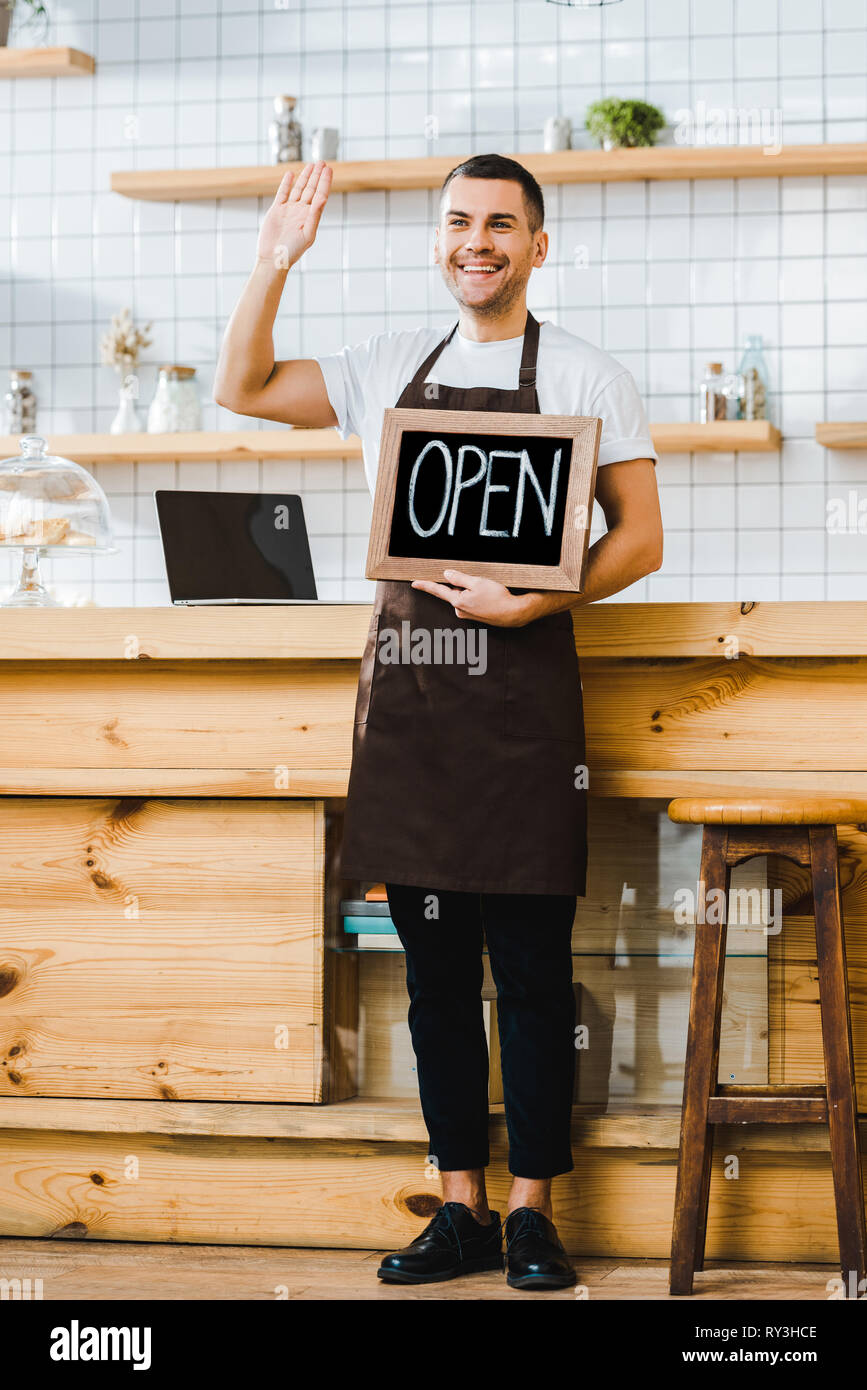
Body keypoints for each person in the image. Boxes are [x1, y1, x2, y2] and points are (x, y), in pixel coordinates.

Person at [214, 153, 663, 1292]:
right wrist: (274, 261)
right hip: (411, 707)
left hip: (524, 719)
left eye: (503, 225)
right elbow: (244, 386)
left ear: (537, 245)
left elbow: (640, 539)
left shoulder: (588, 375)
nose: (479, 240)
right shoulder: (379, 370)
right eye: (460, 222)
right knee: (431, 979)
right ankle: (457, 1205)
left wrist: (534, 598)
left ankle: (531, 1216)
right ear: (438, 240)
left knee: (531, 973)